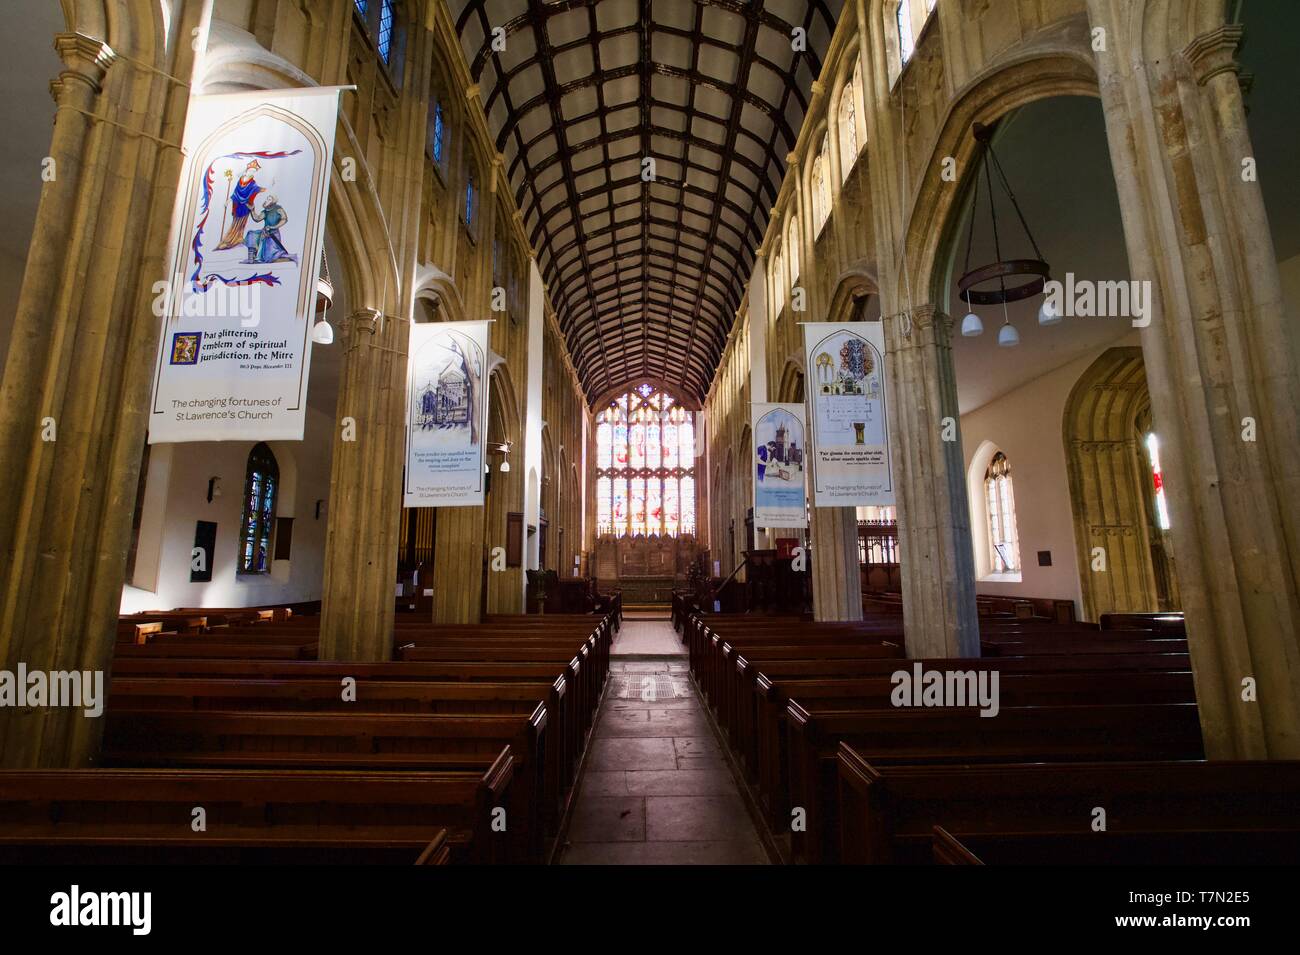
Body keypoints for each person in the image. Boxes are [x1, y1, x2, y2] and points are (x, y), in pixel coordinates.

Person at [243, 195, 297, 264]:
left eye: (269, 199)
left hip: (273, 235)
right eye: (267, 199)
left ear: (273, 201)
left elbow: (284, 219)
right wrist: (252, 210)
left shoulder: (278, 209)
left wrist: (273, 227)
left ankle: (262, 255)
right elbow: (257, 219)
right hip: (264, 233)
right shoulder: (265, 211)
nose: (266, 200)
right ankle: (252, 254)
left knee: (269, 255)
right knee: (251, 234)